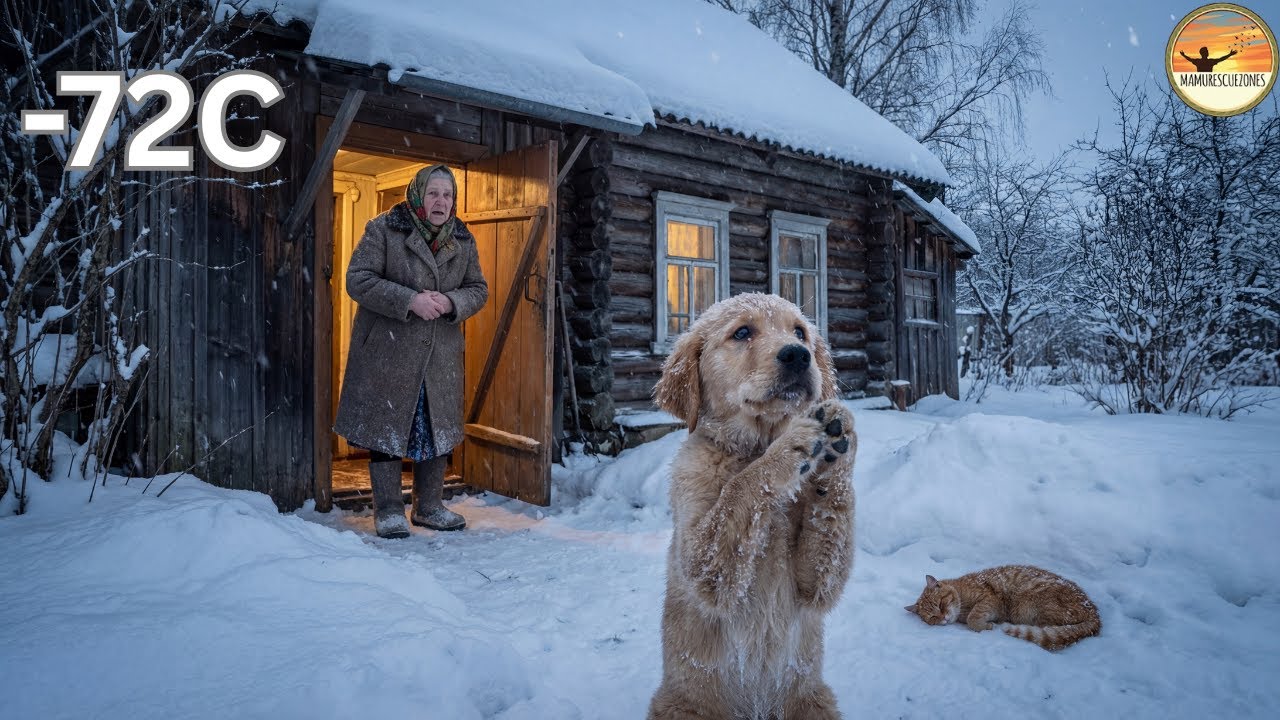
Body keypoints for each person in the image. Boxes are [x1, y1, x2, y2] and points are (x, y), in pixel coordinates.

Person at [334, 164, 488, 538]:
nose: (440, 201)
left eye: (447, 195)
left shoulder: (463, 239)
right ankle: (388, 510)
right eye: (433, 193)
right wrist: (410, 300)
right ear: (418, 195)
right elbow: (358, 280)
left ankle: (429, 506)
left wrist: (451, 302)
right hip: (389, 351)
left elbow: (478, 289)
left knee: (435, 428)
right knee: (387, 428)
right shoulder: (383, 229)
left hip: (438, 354)